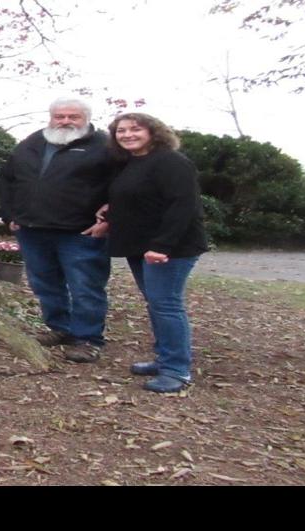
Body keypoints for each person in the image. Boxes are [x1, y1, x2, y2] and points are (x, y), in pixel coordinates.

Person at [99, 113, 208, 393]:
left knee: (166, 304)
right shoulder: (129, 163)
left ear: (153, 132)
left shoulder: (171, 162)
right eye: (121, 131)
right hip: (140, 246)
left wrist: (162, 246)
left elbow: (183, 206)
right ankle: (164, 359)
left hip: (171, 248)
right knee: (156, 303)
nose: (127, 135)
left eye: (135, 129)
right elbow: (138, 201)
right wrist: (108, 215)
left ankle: (177, 370)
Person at [0, 97, 113, 363]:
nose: (65, 121)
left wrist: (109, 218)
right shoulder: (32, 142)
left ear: (86, 118)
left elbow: (121, 186)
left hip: (81, 231)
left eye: (73, 117)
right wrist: (10, 215)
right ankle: (59, 327)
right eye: (59, 116)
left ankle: (88, 339)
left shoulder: (103, 146)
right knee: (45, 284)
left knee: (85, 287)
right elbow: (8, 179)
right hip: (33, 230)